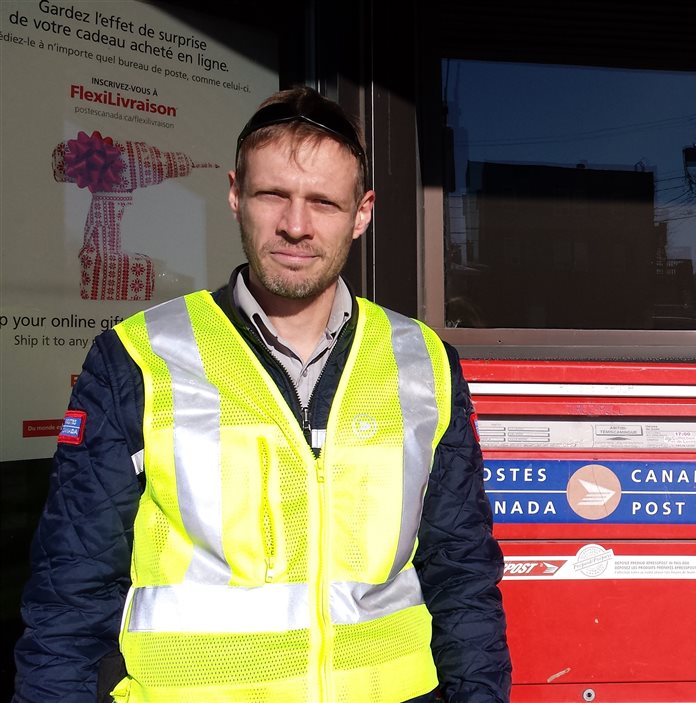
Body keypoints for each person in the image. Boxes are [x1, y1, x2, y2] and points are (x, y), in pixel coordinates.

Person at [13, 86, 511, 703]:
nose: (295, 226)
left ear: (362, 213)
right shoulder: (137, 358)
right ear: (234, 195)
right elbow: (70, 593)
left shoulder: (424, 363)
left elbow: (461, 575)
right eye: (274, 194)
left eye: (324, 202)